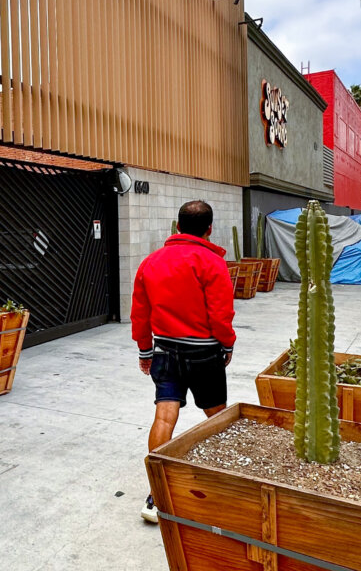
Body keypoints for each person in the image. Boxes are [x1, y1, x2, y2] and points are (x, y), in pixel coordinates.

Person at [131, 200, 235, 523]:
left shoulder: (150, 263)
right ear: (209, 229)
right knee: (218, 418)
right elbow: (221, 316)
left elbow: (140, 313)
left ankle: (155, 496)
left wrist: (145, 351)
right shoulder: (213, 263)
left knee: (164, 418)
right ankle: (225, 485)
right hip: (205, 353)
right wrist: (227, 345)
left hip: (165, 352)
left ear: (177, 227)